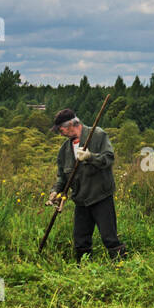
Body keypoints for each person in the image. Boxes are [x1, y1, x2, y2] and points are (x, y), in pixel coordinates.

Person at [47, 107, 127, 263]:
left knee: (109, 238)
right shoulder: (64, 150)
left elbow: (108, 158)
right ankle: (84, 271)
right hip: (81, 201)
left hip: (101, 196)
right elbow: (62, 177)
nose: (60, 133)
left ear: (71, 125)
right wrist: (55, 191)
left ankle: (122, 270)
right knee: (81, 241)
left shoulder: (97, 136)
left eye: (61, 129)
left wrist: (90, 157)